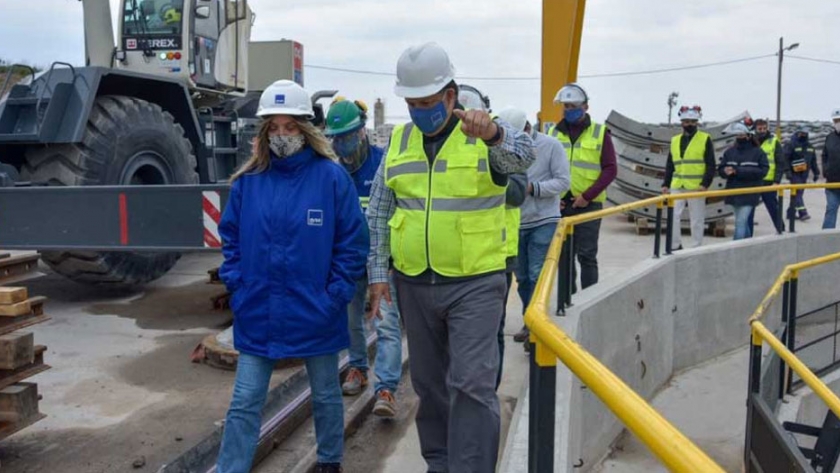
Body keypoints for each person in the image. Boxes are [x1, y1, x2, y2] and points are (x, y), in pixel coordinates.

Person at [366, 42, 535, 473]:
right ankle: (439, 464)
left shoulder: (482, 135)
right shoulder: (400, 141)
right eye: (413, 103)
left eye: (429, 102)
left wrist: (494, 133)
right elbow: (382, 209)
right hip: (414, 283)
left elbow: (524, 159)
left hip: (476, 282)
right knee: (429, 385)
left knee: (472, 386)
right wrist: (377, 273)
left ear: (450, 96)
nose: (421, 111)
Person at [216, 80, 368, 473]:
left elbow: (352, 244)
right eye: (275, 128)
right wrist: (238, 284)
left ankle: (329, 461)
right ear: (265, 132)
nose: (283, 135)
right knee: (246, 399)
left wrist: (333, 296)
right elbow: (230, 236)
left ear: (306, 129)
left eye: (291, 127)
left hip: (316, 308)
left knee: (325, 394)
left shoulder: (332, 179)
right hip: (259, 308)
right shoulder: (249, 182)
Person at [323, 99, 403, 418]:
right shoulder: (333, 173)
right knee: (351, 322)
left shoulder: (384, 164)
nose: (343, 144)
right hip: (348, 263)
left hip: (382, 261)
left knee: (386, 323)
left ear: (363, 131)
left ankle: (386, 388)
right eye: (337, 138)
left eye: (348, 136)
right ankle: (358, 368)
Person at [457, 85, 526, 389]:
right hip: (455, 255)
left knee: (493, 329)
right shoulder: (445, 142)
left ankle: (489, 391)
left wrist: (490, 175)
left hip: (497, 253)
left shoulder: (501, 140)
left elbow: (518, 192)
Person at [499, 107, 570, 346]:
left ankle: (535, 330)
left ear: (528, 129)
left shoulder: (551, 146)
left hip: (544, 220)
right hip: (517, 222)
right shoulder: (503, 149)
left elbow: (563, 181)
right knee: (523, 279)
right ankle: (530, 321)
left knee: (537, 274)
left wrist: (533, 189)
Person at [548, 83, 616, 292]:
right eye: (565, 106)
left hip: (589, 205)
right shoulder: (552, 132)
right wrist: (552, 198)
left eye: (573, 106)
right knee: (564, 257)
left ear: (585, 107)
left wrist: (587, 196)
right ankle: (567, 301)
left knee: (587, 256)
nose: (568, 110)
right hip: (560, 205)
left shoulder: (599, 133)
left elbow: (610, 169)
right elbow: (545, 168)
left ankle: (588, 300)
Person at [661, 105, 715, 249]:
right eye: (686, 122)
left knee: (697, 218)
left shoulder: (704, 139)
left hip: (697, 186)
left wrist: (705, 184)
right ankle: (675, 245)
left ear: (697, 122)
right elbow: (670, 164)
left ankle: (696, 246)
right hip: (677, 184)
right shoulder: (675, 140)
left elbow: (711, 164)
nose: (689, 124)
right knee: (673, 216)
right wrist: (665, 184)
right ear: (682, 123)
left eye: (692, 122)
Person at [718, 122, 769, 240]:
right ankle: (747, 245)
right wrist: (725, 171)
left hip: (750, 193)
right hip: (734, 192)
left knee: (740, 221)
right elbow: (721, 169)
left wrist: (738, 171)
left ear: (748, 136)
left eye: (741, 135)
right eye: (737, 136)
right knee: (742, 222)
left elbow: (763, 171)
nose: (739, 138)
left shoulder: (758, 152)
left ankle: (735, 249)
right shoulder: (729, 152)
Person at [747, 118, 785, 235]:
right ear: (755, 129)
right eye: (759, 129)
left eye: (764, 128)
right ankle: (748, 236)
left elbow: (780, 162)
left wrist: (777, 181)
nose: (762, 131)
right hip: (753, 180)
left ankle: (781, 230)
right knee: (749, 210)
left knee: (773, 208)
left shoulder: (774, 141)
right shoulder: (750, 142)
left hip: (768, 181)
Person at [784, 128, 820, 223]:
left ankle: (790, 213)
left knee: (797, 194)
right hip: (794, 173)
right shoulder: (791, 145)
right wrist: (787, 171)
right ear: (797, 133)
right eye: (801, 133)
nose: (803, 135)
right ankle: (803, 212)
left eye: (805, 133)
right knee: (798, 192)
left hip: (804, 174)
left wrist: (816, 173)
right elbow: (785, 159)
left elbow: (813, 161)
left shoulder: (810, 147)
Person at [822, 109, 840, 229]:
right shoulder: (830, 137)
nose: (838, 123)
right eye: (836, 120)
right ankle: (826, 239)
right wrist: (825, 170)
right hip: (832, 183)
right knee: (831, 210)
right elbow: (824, 156)